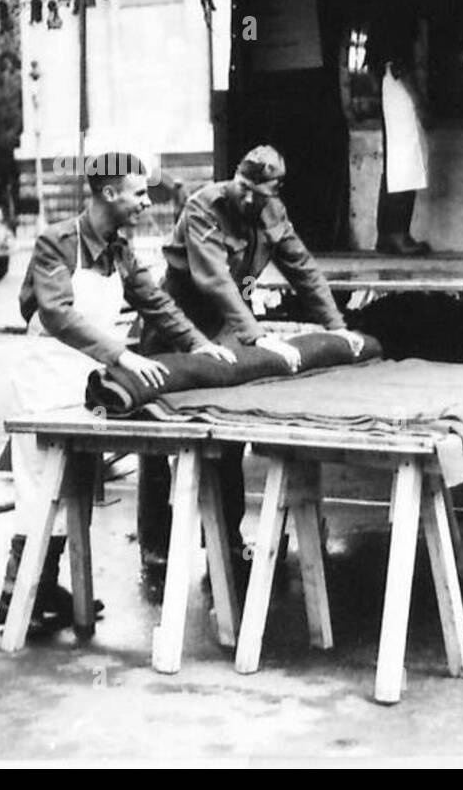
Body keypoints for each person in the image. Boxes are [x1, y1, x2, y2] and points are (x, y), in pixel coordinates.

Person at [0, 153, 235, 634]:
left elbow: (157, 304)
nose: (148, 201)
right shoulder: (56, 243)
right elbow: (59, 315)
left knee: (77, 488)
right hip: (48, 376)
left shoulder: (121, 251)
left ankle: (45, 589)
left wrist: (200, 346)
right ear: (110, 193)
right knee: (41, 490)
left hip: (91, 381)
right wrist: (121, 358)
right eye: (140, 193)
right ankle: (16, 595)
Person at [136, 145, 369, 569]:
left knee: (225, 431)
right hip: (174, 321)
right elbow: (214, 280)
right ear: (236, 180)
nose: (249, 201)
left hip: (228, 322)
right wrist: (257, 337)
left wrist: (337, 327)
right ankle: (156, 542)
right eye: (244, 189)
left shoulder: (272, 213)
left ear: (273, 192)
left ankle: (225, 543)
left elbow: (304, 269)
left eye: (259, 194)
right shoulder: (203, 206)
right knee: (155, 430)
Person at [367, 8, 431, 255]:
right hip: (401, 90)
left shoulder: (382, 17)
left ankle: (387, 233)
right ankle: (397, 234)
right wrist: (420, 102)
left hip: (390, 89)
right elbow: (401, 66)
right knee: (404, 162)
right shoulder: (402, 16)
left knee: (396, 164)